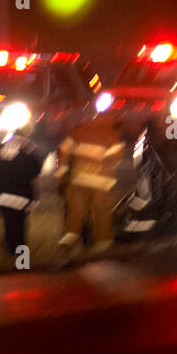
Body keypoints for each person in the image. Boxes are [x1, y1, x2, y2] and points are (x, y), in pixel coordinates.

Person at [54, 111, 127, 262]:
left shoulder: (78, 130)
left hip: (77, 180)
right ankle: (103, 244)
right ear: (111, 121)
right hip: (101, 182)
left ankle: (67, 243)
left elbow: (63, 151)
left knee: (75, 213)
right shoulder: (112, 135)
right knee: (102, 213)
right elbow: (116, 159)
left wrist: (62, 173)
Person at [0, 123, 45, 256]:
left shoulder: (2, 147)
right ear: (26, 135)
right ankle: (20, 253)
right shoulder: (30, 149)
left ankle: (9, 248)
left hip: (1, 191)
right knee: (19, 222)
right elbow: (36, 169)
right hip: (20, 192)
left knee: (8, 221)